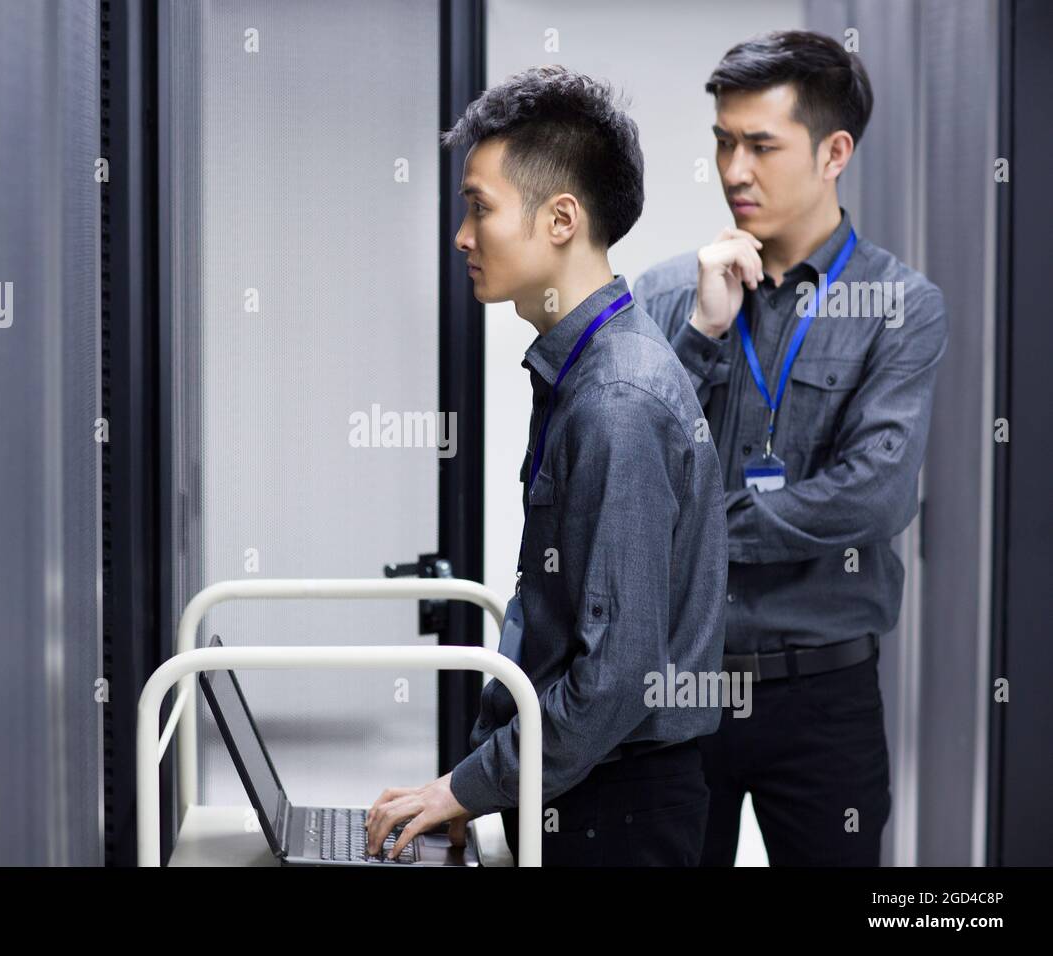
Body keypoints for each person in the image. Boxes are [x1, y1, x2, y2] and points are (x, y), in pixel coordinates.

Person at [365, 64, 728, 866]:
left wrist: (459, 789)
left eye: (479, 208)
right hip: (587, 786)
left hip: (618, 807)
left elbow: (616, 677)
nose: (462, 235)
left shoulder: (616, 399)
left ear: (560, 218)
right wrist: (480, 783)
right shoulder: (587, 371)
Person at [633, 30, 948, 866]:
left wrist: (694, 526)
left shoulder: (902, 308)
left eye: (761, 145)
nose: (734, 170)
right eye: (723, 142)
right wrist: (702, 334)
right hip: (678, 687)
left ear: (833, 151)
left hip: (824, 697)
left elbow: (875, 496)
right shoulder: (666, 294)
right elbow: (628, 477)